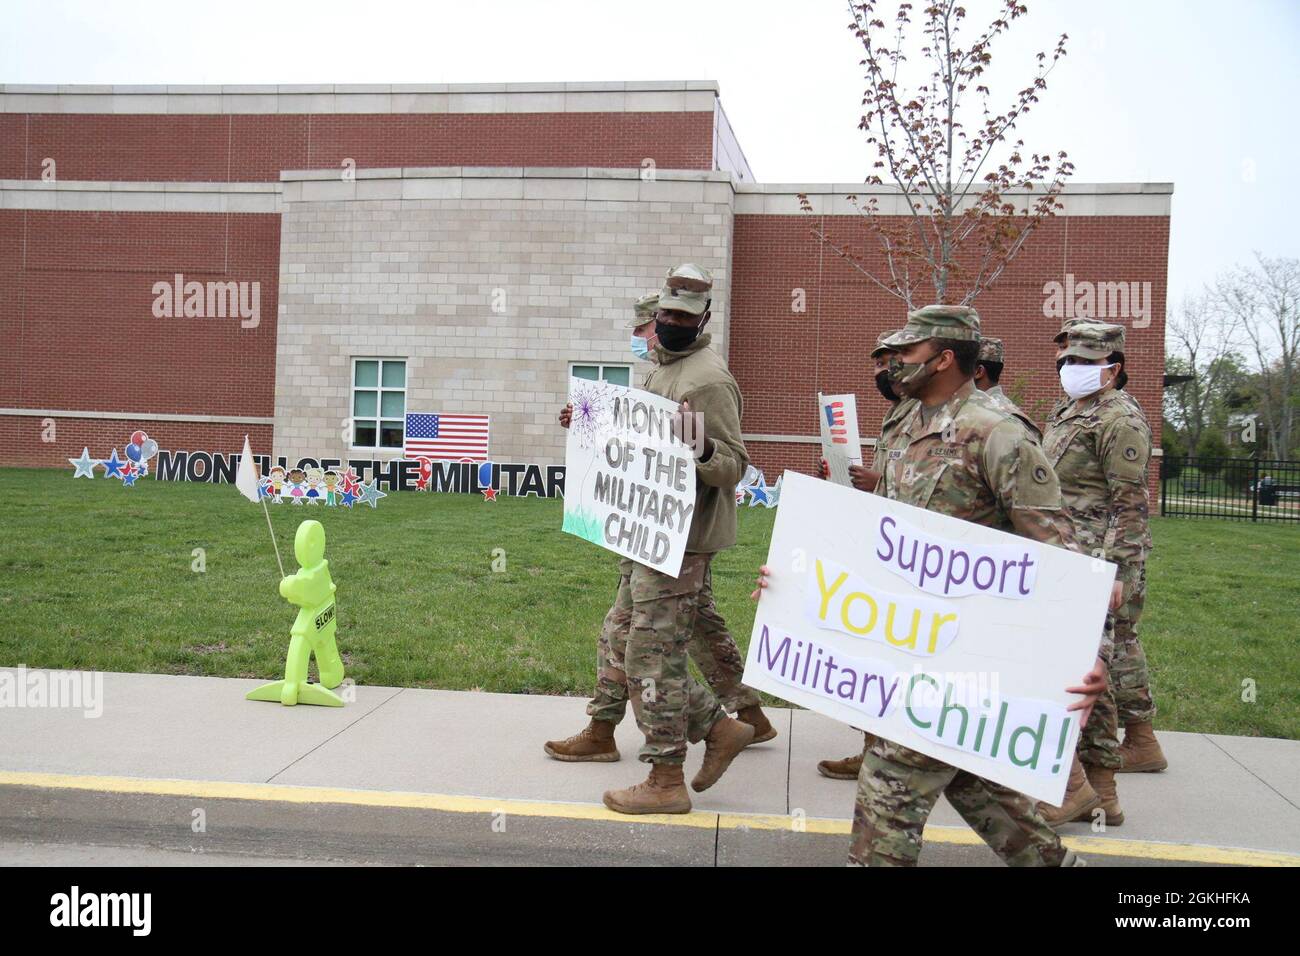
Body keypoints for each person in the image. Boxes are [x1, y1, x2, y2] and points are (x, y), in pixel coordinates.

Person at [754, 305, 1105, 866]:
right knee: (970, 778)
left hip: (966, 658)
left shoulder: (1000, 433)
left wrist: (1087, 656)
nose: (893, 365)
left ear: (944, 358)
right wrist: (800, 586)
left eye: (905, 355)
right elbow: (886, 539)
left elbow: (1059, 554)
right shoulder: (906, 424)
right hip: (906, 647)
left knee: (887, 795)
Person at [546, 291, 776, 765]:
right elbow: (646, 444)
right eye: (663, 315)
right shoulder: (664, 370)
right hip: (649, 528)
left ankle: (711, 732)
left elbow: (732, 466)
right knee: (664, 629)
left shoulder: (708, 379)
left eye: (678, 316)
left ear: (701, 319)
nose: (664, 325)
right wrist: (588, 425)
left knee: (648, 645)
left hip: (683, 536)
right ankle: (607, 727)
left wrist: (700, 444)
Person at [1038, 321, 1161, 828]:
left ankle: (1099, 788)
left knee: (1094, 674)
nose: (1072, 369)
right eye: (1068, 360)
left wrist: (1115, 573)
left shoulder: (1120, 420)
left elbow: (1131, 505)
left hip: (1099, 565)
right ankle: (1094, 791)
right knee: (1074, 668)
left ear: (1113, 368)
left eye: (1085, 363)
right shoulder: (1069, 411)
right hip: (1065, 558)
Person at [814, 331, 914, 781]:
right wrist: (840, 475)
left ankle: (895, 753)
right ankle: (876, 747)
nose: (882, 374)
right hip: (888, 548)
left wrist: (881, 484)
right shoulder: (899, 415)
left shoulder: (932, 416)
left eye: (890, 364)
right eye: (876, 366)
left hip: (919, 558)